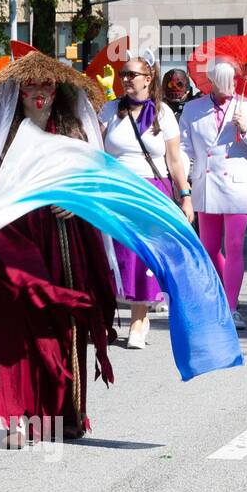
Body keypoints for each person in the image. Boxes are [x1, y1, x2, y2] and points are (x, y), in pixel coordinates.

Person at [0, 54, 120, 447]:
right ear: (17, 93)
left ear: (59, 91)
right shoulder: (5, 135)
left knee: (64, 322)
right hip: (18, 242)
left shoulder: (73, 132)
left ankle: (66, 414)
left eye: (46, 86)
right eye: (31, 86)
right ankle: (18, 417)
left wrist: (76, 202)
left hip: (65, 236)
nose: (39, 93)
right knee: (16, 325)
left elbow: (94, 182)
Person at [98, 51, 194, 348]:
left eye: (131, 75)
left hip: (152, 190)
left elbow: (174, 160)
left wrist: (185, 196)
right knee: (118, 255)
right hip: (116, 189)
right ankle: (112, 315)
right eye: (123, 74)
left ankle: (138, 320)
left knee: (143, 256)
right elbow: (96, 151)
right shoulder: (109, 110)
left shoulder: (162, 114)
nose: (125, 79)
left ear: (148, 79)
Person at [178, 60, 247, 330]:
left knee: (234, 246)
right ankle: (224, 294)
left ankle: (231, 307)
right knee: (208, 248)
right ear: (213, 81)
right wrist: (181, 178)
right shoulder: (192, 108)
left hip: (237, 185)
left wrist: (246, 129)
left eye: (233, 79)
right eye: (225, 80)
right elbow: (185, 147)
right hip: (205, 185)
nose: (231, 85)